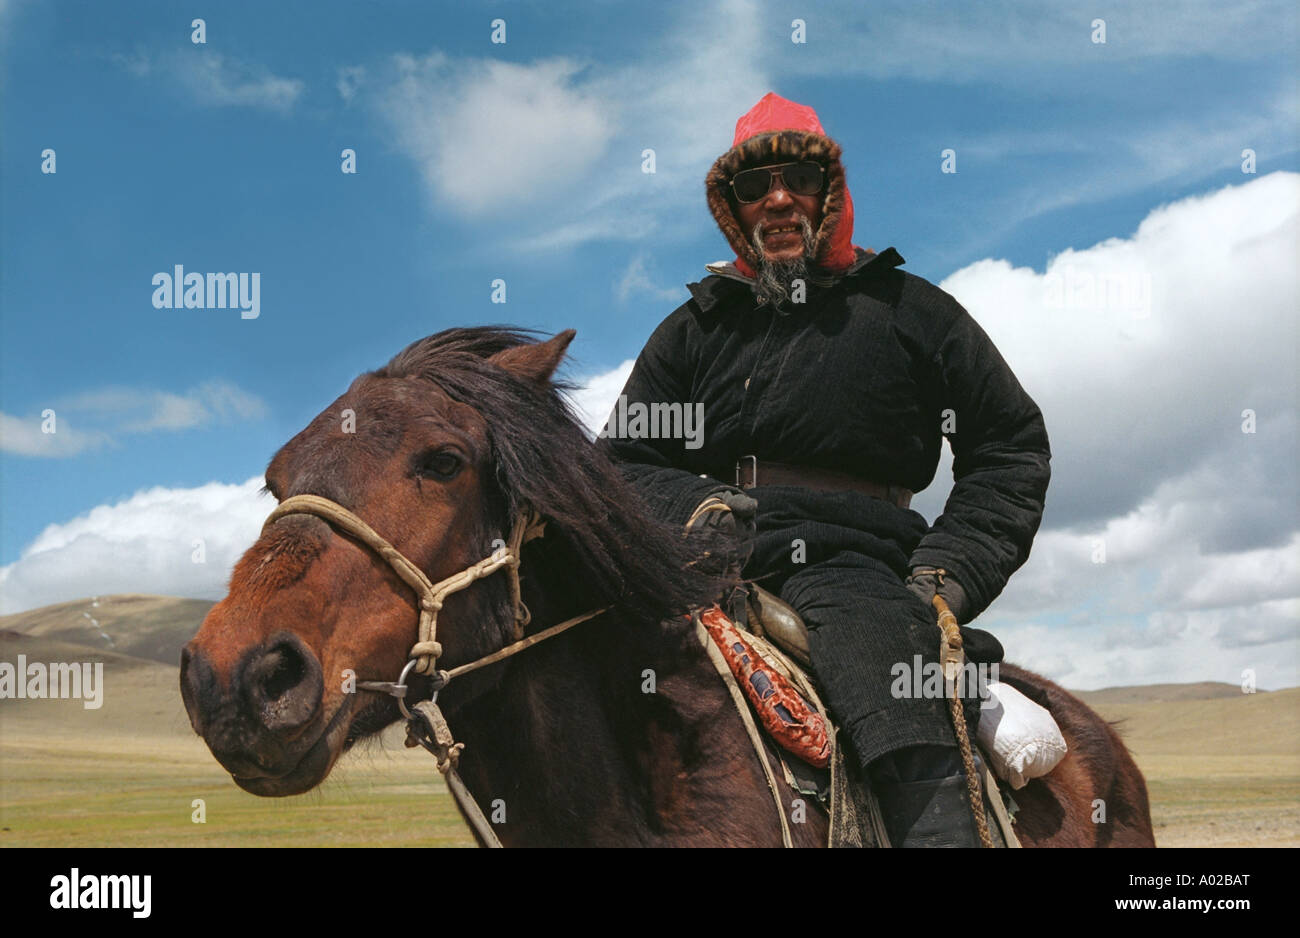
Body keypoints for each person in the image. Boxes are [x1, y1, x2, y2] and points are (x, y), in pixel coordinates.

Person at [598, 92, 1051, 847]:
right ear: (733, 207)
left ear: (828, 191)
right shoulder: (692, 328)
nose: (777, 198)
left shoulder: (911, 311)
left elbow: (1009, 445)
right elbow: (620, 461)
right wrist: (706, 508)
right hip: (701, 556)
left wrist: (947, 572)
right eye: (754, 185)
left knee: (883, 670)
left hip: (851, 563)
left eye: (797, 178)